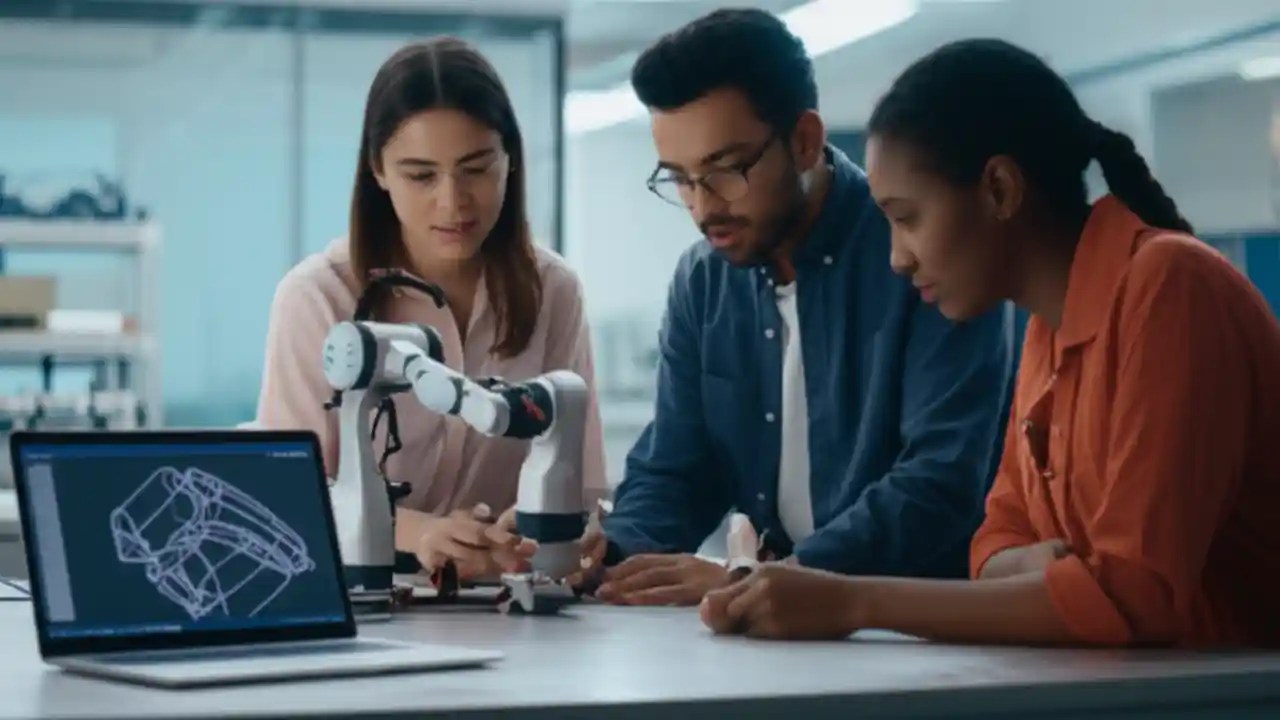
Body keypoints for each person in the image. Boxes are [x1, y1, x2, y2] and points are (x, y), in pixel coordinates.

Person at [701, 37, 1280, 648]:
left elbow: (1132, 596)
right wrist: (1036, 569)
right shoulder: (1048, 326)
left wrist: (854, 600)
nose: (897, 258)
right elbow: (995, 539)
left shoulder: (1169, 286)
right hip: (1133, 684)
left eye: (907, 218)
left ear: (1000, 189)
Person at [582, 8, 1017, 607]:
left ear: (805, 141)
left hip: (925, 626)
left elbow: (938, 483)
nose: (703, 207)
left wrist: (775, 577)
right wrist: (600, 557)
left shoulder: (924, 257)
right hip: (782, 622)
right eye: (680, 179)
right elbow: (678, 470)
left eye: (726, 170)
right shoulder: (703, 281)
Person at [255, 37, 607, 582]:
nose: (452, 202)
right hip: (365, 593)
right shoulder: (317, 297)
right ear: (378, 170)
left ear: (510, 159)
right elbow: (286, 495)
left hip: (506, 600)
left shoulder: (554, 291)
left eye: (476, 168)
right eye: (421, 175)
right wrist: (419, 533)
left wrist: (548, 532)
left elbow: (583, 484)